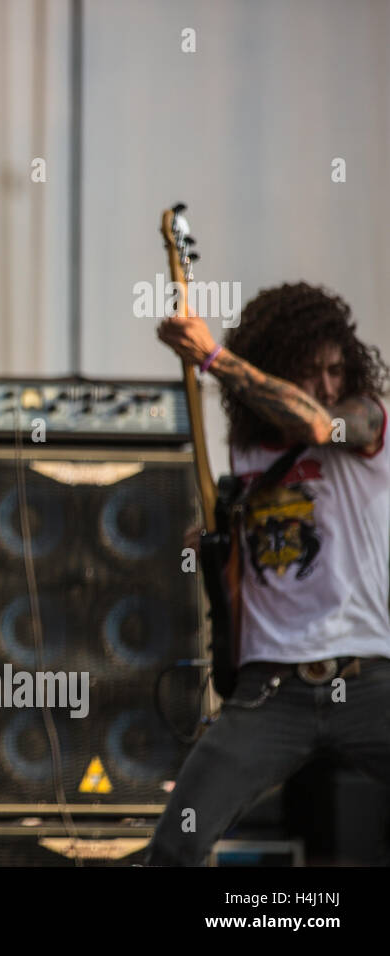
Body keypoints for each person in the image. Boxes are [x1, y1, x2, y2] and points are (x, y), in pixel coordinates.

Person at [149, 281, 390, 864]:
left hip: (365, 678)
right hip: (271, 690)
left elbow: (316, 425)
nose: (328, 385)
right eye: (311, 372)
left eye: (337, 370)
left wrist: (212, 357)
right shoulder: (246, 452)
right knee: (178, 843)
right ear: (278, 367)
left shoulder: (365, 421)